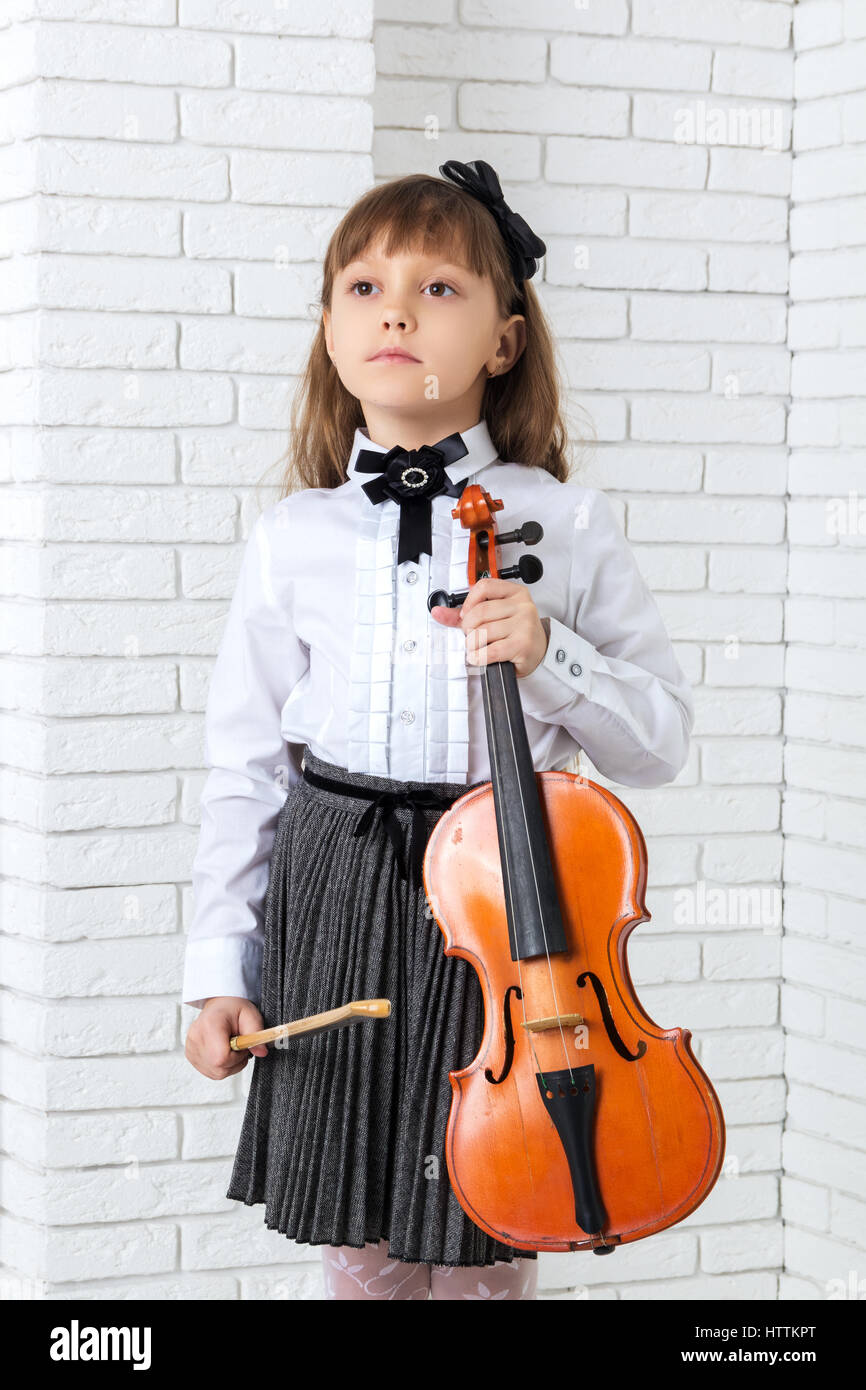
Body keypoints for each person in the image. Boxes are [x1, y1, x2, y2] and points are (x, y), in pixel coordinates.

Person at [182, 159, 694, 1301]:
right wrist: (218, 965)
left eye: (438, 288)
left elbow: (658, 739)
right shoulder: (292, 536)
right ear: (326, 328)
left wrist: (549, 656)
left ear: (504, 341)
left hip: (508, 908)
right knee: (356, 1245)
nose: (396, 311)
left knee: (490, 1221)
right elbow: (245, 768)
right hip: (336, 887)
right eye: (361, 288)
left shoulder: (561, 520)